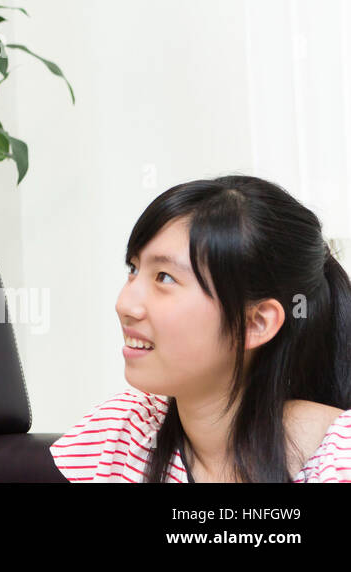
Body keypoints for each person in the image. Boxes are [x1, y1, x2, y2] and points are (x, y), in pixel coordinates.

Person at [51, 175, 351, 482]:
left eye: (164, 277)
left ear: (256, 323)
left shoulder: (339, 460)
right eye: (134, 269)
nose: (125, 305)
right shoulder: (123, 432)